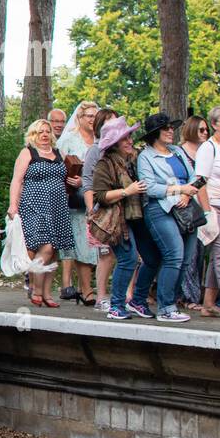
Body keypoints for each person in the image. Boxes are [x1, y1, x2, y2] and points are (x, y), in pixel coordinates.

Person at [131, 113, 195, 322]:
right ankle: (166, 308)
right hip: (160, 209)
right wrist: (178, 189)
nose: (170, 131)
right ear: (154, 134)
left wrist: (187, 193)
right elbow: (149, 187)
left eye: (171, 127)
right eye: (165, 128)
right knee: (173, 255)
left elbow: (194, 177)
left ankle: (170, 302)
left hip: (186, 208)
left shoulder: (177, 151)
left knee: (185, 260)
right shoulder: (146, 156)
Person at [8, 119, 74, 307]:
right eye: (40, 132)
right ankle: (36, 289)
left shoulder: (59, 153)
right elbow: (17, 180)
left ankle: (47, 293)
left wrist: (75, 182)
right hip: (34, 203)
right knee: (44, 246)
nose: (44, 135)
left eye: (47, 131)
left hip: (57, 205)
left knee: (54, 251)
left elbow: (66, 177)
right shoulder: (28, 152)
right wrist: (13, 205)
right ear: (33, 135)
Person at [91, 117, 147, 320]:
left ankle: (133, 302)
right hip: (117, 222)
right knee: (127, 259)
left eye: (130, 136)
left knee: (143, 258)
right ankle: (116, 306)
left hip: (135, 219)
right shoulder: (105, 164)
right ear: (115, 144)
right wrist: (127, 191)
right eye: (125, 138)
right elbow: (100, 196)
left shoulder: (132, 160)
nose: (130, 141)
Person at [56, 101, 99, 304]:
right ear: (79, 118)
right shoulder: (70, 140)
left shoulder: (100, 140)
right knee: (82, 243)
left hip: (97, 197)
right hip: (74, 199)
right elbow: (58, 165)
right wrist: (71, 179)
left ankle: (87, 288)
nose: (92, 120)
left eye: (94, 116)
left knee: (94, 246)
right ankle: (86, 289)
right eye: (88, 116)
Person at [81, 107, 119, 310]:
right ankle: (101, 296)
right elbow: (87, 181)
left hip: (123, 206)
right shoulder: (95, 150)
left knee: (127, 254)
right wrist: (90, 209)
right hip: (102, 207)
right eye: (107, 123)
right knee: (106, 254)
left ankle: (126, 295)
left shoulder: (122, 148)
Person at [196, 107, 220, 317]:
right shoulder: (208, 148)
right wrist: (207, 213)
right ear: (214, 124)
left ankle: (208, 304)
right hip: (214, 205)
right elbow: (201, 183)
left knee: (218, 257)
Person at [178, 116, 209, 310]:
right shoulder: (180, 152)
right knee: (188, 253)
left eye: (206, 129)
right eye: (201, 130)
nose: (205, 133)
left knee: (200, 254)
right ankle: (188, 297)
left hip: (204, 205)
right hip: (186, 205)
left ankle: (195, 294)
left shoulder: (207, 151)